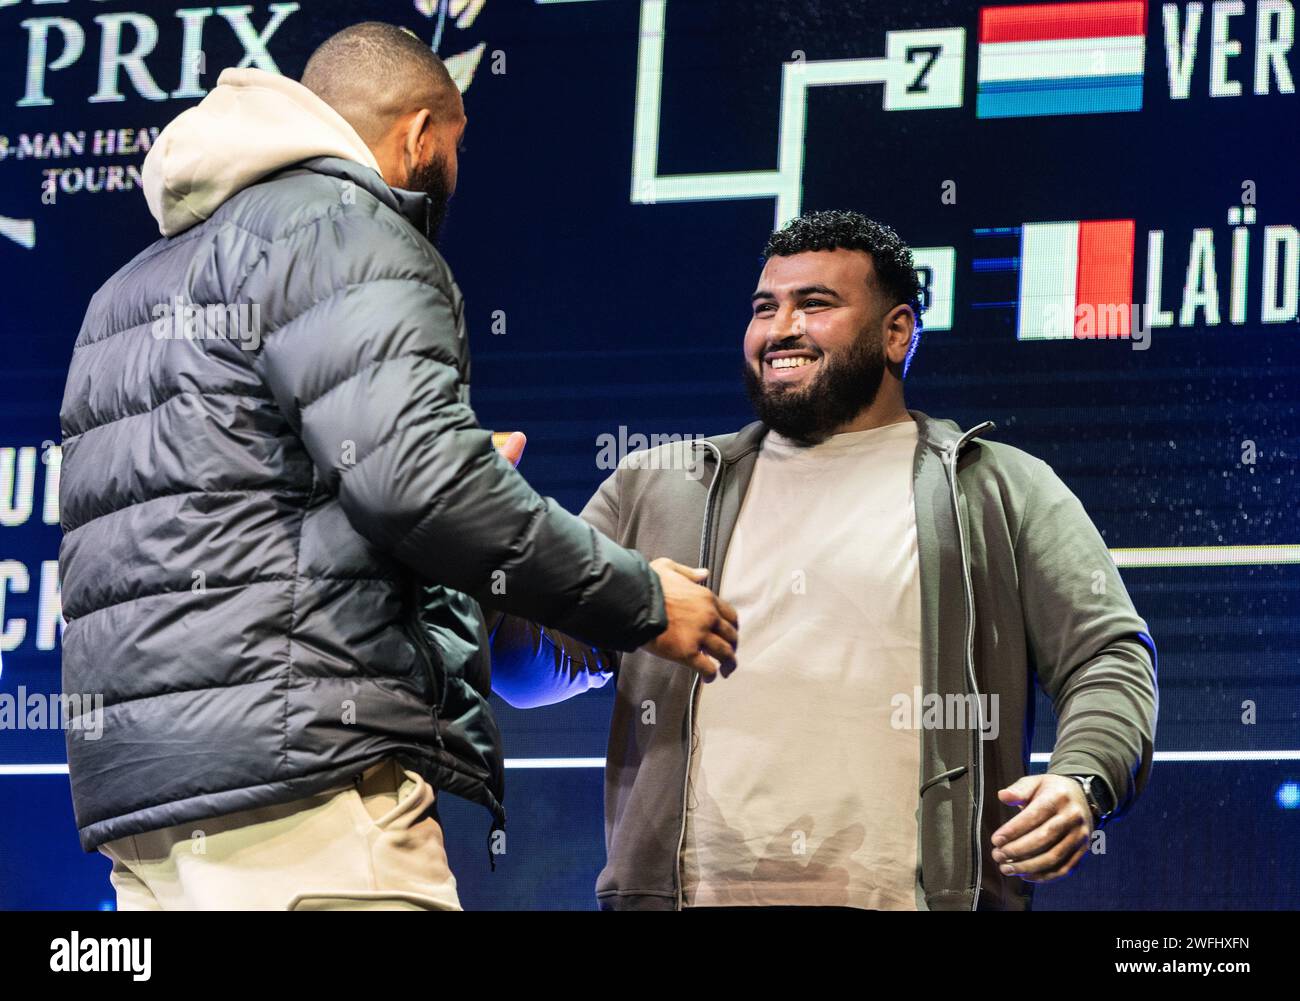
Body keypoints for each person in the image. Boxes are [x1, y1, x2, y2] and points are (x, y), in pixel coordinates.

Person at [56, 21, 736, 911]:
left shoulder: (126, 293)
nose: (450, 175)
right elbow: (421, 487)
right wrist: (642, 599)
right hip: (307, 798)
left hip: (148, 813)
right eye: (452, 151)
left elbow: (242, 510)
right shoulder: (350, 228)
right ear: (420, 137)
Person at [490, 209, 1159, 911]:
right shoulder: (658, 484)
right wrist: (492, 546)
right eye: (764, 308)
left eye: (815, 304)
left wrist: (1082, 779)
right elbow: (527, 674)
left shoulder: (997, 488)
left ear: (896, 331)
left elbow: (1108, 656)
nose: (780, 329)